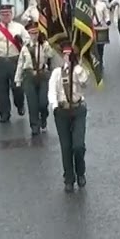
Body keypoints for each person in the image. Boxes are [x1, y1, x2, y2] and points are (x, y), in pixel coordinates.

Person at [47, 44, 90, 192]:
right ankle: (69, 178)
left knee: (78, 145)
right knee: (66, 147)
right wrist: (54, 106)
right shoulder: (57, 73)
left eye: (69, 55)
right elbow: (52, 91)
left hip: (78, 109)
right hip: (62, 111)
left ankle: (81, 172)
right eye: (65, 55)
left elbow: (85, 83)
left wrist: (78, 68)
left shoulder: (78, 71)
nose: (67, 58)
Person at [0, 5, 28, 122]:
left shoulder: (19, 27)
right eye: (3, 14)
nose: (6, 16)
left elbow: (28, 41)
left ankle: (20, 104)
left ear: (11, 15)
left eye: (8, 14)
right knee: (1, 90)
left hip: (15, 61)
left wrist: (22, 41)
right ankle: (4, 113)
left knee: (17, 87)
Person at [14, 23, 55, 136]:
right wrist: (18, 79)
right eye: (31, 33)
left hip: (42, 75)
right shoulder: (25, 48)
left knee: (43, 102)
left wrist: (46, 46)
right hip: (29, 76)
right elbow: (20, 64)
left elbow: (51, 56)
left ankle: (44, 117)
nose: (34, 35)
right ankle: (34, 126)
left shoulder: (43, 45)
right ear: (28, 34)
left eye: (36, 33)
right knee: (32, 103)